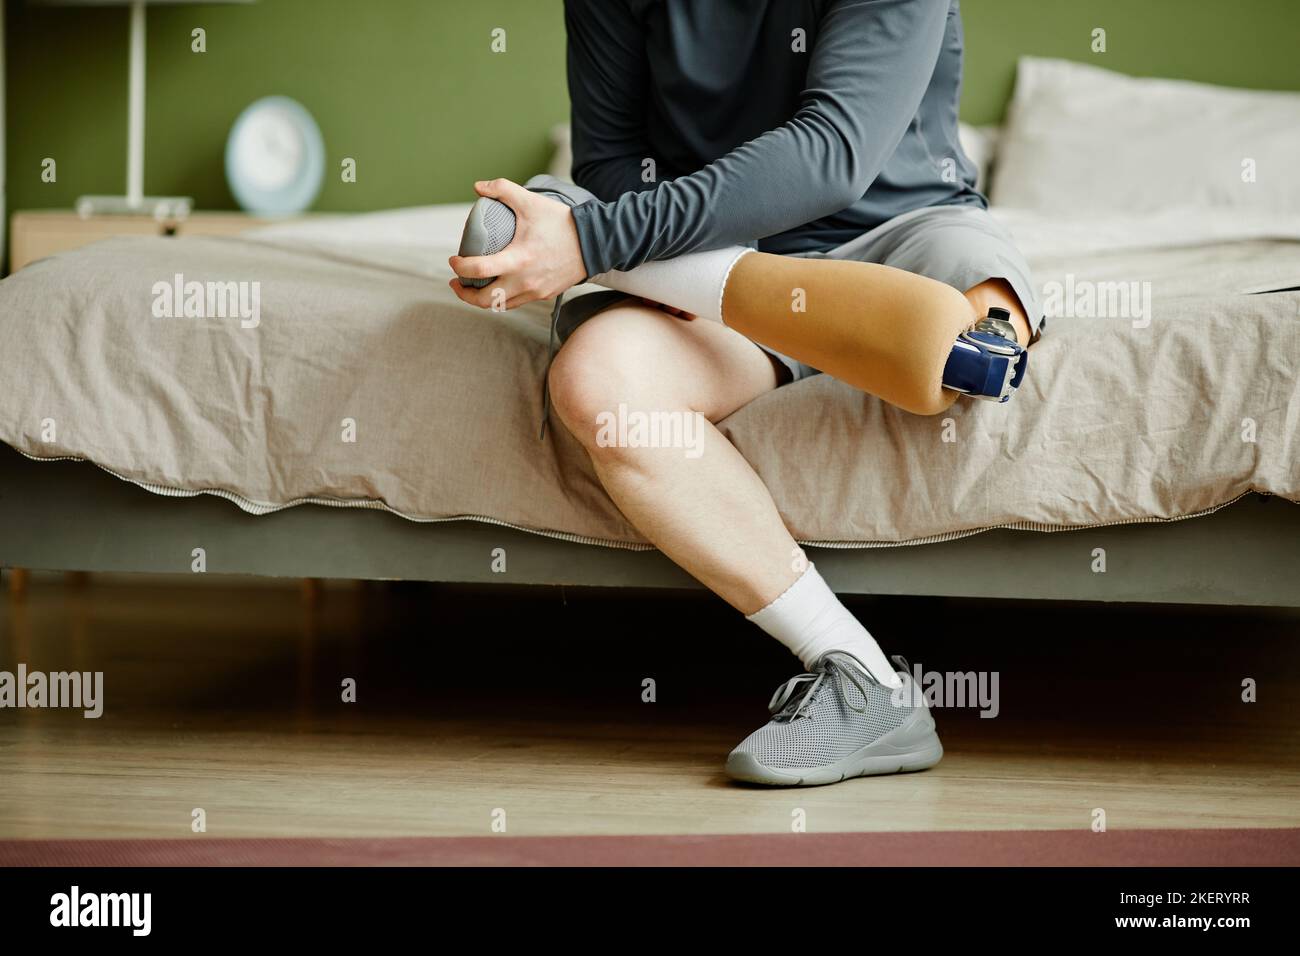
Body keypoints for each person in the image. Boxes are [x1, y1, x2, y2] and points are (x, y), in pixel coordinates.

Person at [449, 0, 1043, 787]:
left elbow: (833, 153)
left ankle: (959, 337)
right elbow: (614, 160)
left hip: (902, 239)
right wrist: (628, 243)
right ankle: (864, 679)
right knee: (598, 382)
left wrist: (594, 242)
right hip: (715, 256)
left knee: (978, 307)